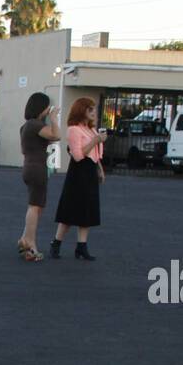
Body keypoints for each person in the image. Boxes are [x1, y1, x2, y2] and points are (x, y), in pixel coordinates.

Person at [51, 97, 106, 260]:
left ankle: (81, 246)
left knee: (87, 209)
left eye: (94, 110)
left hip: (90, 170)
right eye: (90, 110)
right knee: (71, 209)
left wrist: (100, 169)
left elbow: (95, 153)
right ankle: (56, 243)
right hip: (78, 172)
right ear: (81, 111)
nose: (94, 113)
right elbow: (78, 156)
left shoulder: (91, 130)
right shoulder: (74, 129)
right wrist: (96, 140)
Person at [17, 92, 61, 261]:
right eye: (47, 106)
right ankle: (31, 244)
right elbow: (56, 136)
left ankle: (25, 239)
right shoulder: (35, 125)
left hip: (30, 166)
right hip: (37, 168)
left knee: (37, 205)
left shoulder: (27, 126)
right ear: (41, 107)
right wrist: (54, 118)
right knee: (35, 205)